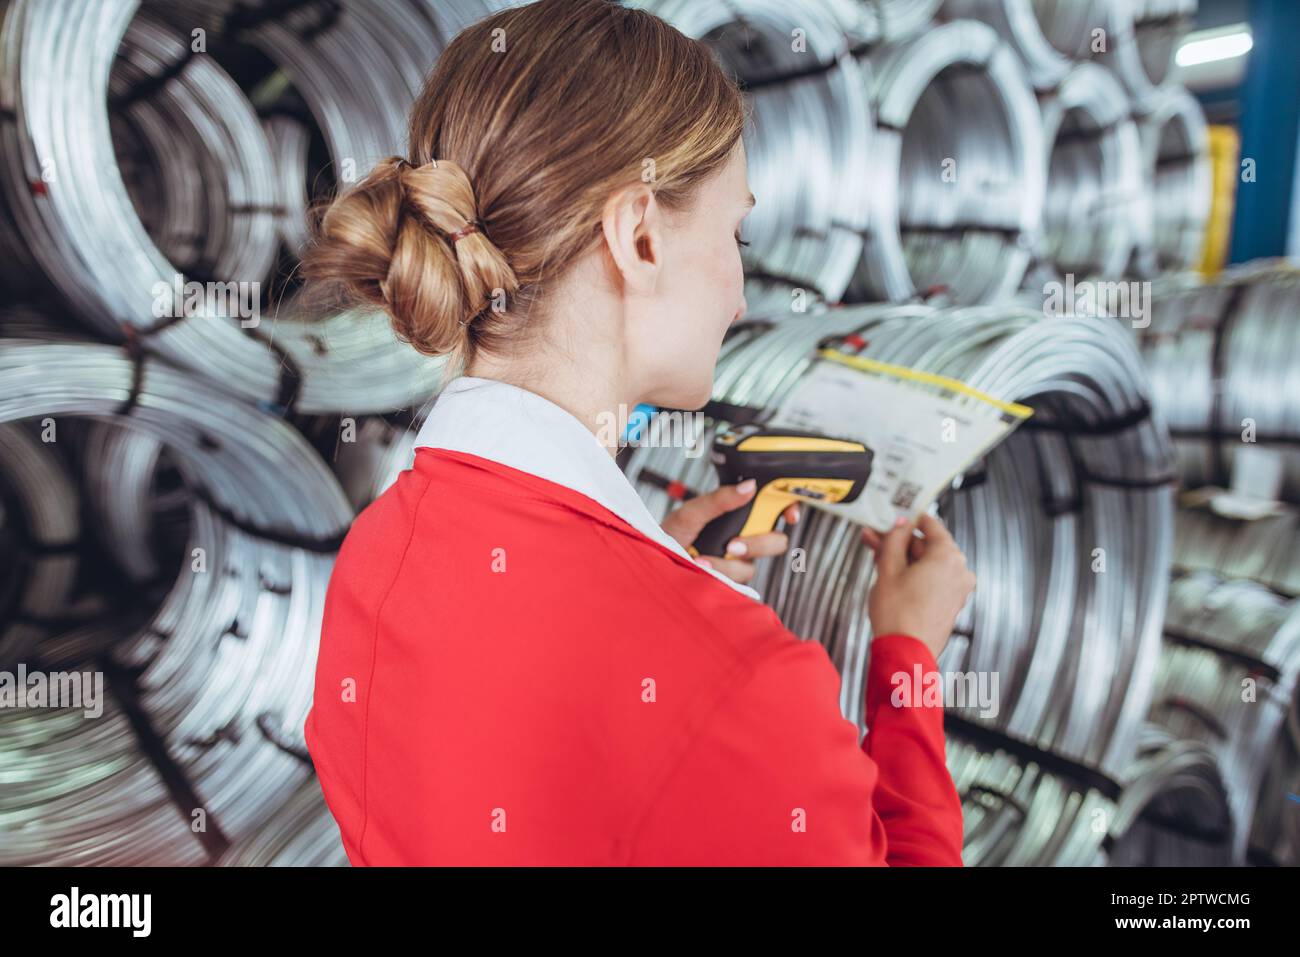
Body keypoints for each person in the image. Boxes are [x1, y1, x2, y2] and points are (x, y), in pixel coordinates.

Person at [301, 0, 975, 866]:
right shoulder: (746, 689)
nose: (740, 294)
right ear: (640, 237)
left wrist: (661, 582)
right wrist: (907, 661)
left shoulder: (372, 558)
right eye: (734, 230)